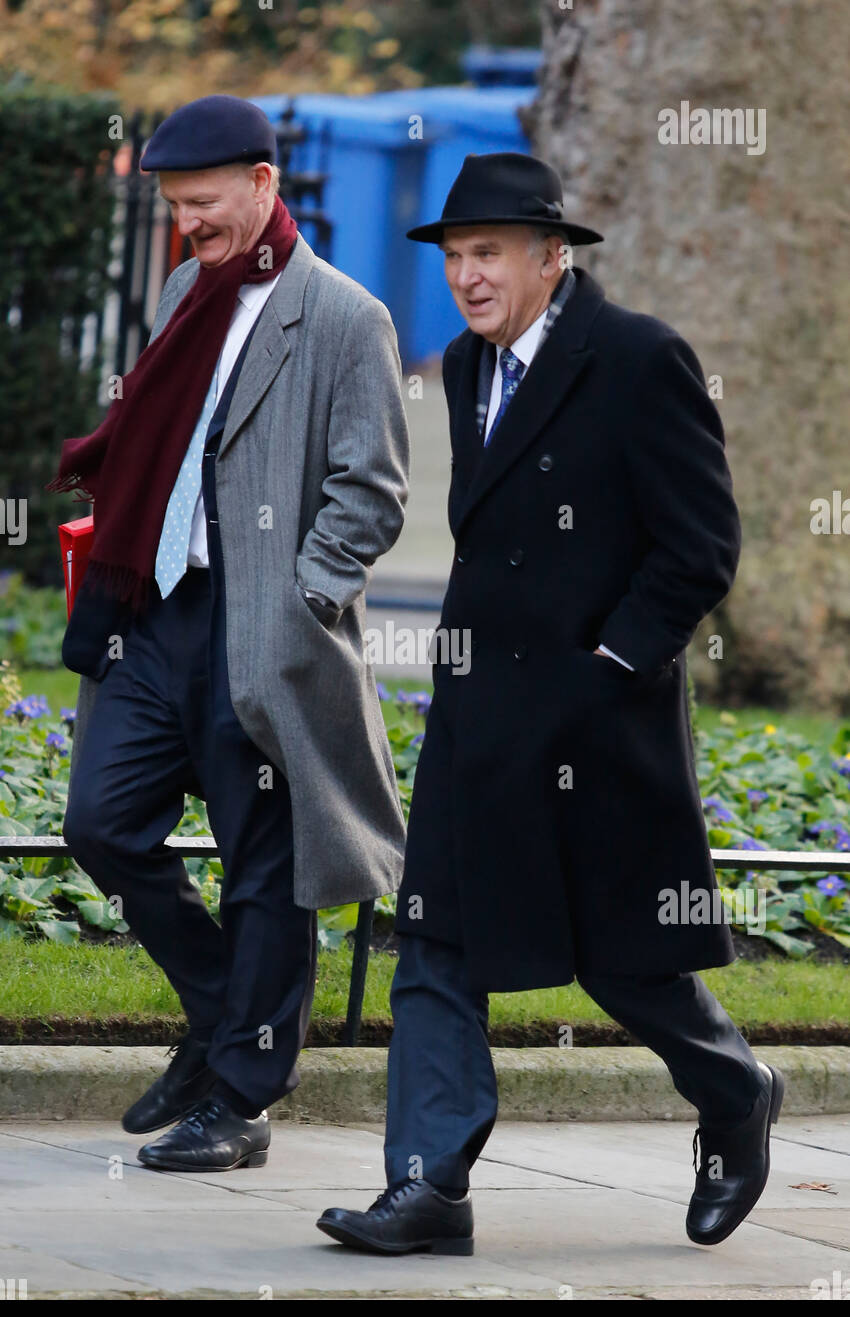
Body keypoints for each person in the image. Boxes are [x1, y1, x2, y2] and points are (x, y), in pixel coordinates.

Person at [317, 151, 783, 1255]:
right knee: (432, 942)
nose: (466, 277)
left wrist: (609, 666)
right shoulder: (468, 370)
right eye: (453, 258)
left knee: (625, 961)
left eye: (487, 255)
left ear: (550, 256)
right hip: (479, 717)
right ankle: (428, 1186)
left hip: (598, 721)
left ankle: (734, 1093)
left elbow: (698, 545)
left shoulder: (638, 359)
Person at [50, 95, 409, 1173]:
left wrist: (301, 600)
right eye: (174, 208)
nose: (188, 227)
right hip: (156, 612)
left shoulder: (347, 317)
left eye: (202, 207)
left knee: (264, 866)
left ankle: (245, 1096)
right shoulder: (181, 288)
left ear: (262, 185)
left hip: (266, 620)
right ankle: (217, 1016)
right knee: (100, 822)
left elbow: (373, 490)